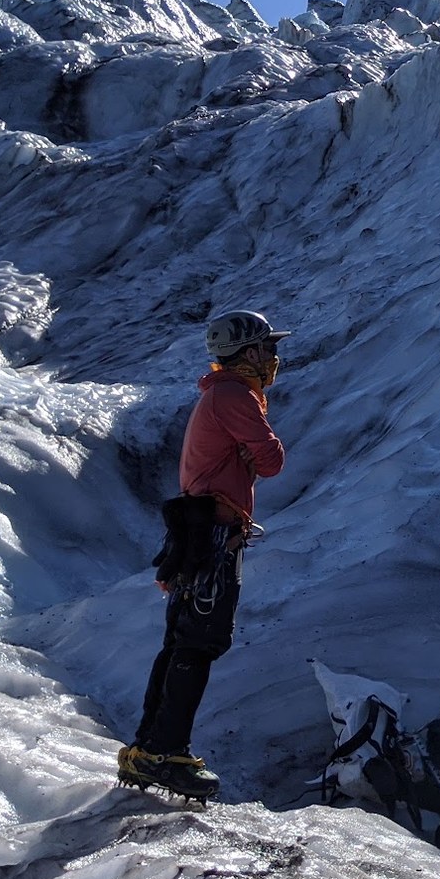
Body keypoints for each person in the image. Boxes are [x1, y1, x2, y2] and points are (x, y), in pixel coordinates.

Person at [118, 310, 288, 799]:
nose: (275, 357)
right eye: (269, 348)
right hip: (214, 534)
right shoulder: (236, 395)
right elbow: (272, 462)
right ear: (251, 352)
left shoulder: (222, 395)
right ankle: (166, 754)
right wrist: (256, 446)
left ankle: (150, 749)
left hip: (200, 531)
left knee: (181, 642)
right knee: (198, 643)